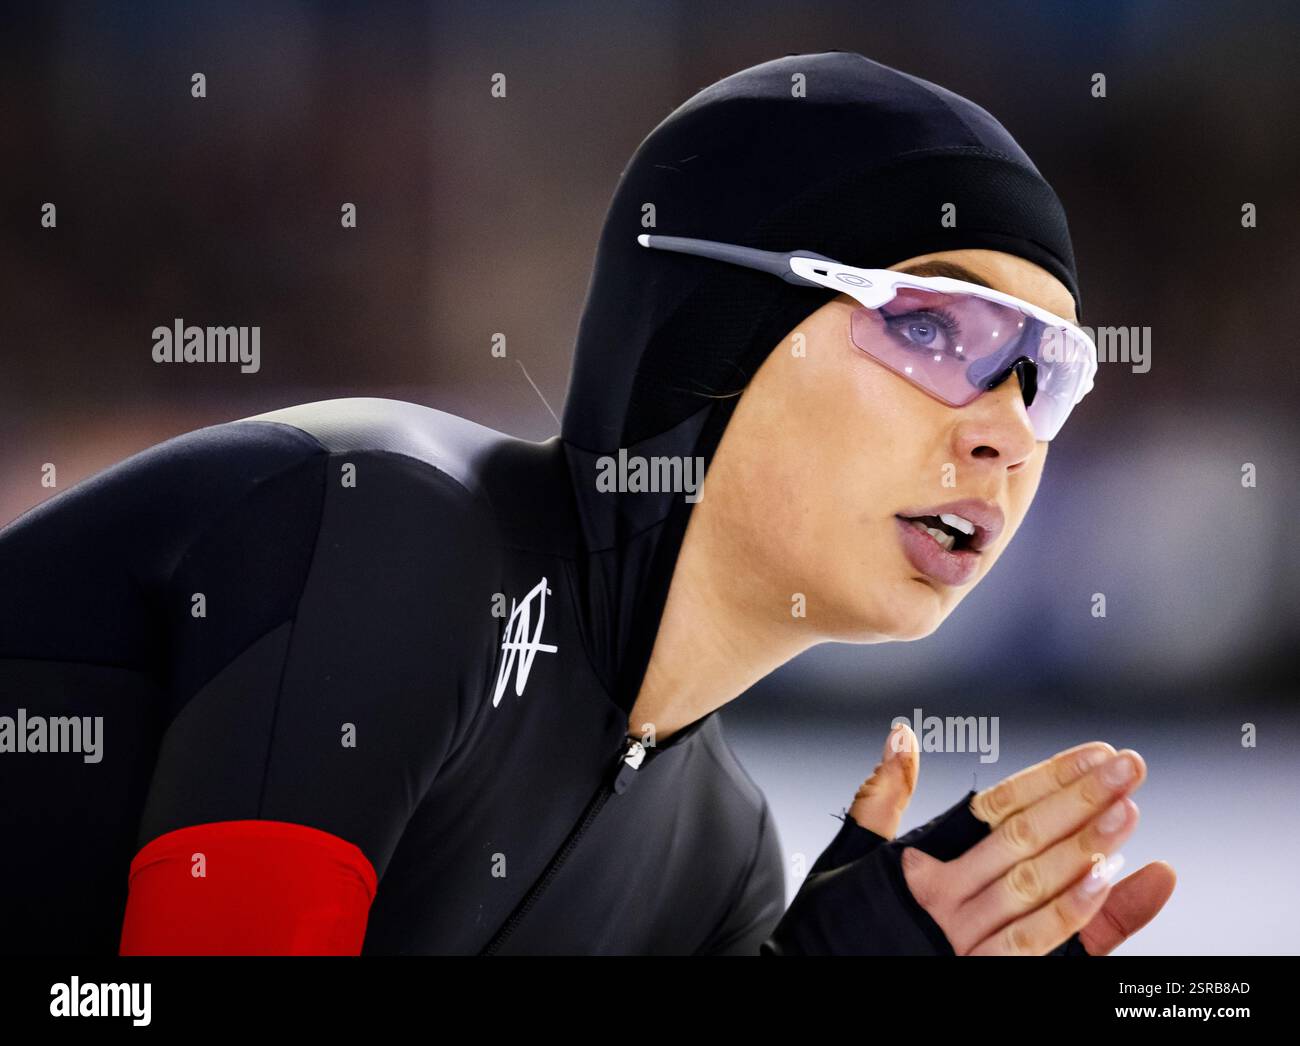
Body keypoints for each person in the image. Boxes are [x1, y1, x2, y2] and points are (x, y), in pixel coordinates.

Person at [0, 50, 1174, 955]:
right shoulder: (382, 536)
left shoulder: (713, 863)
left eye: (1045, 374)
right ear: (708, 327)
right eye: (931, 327)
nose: (1009, 430)